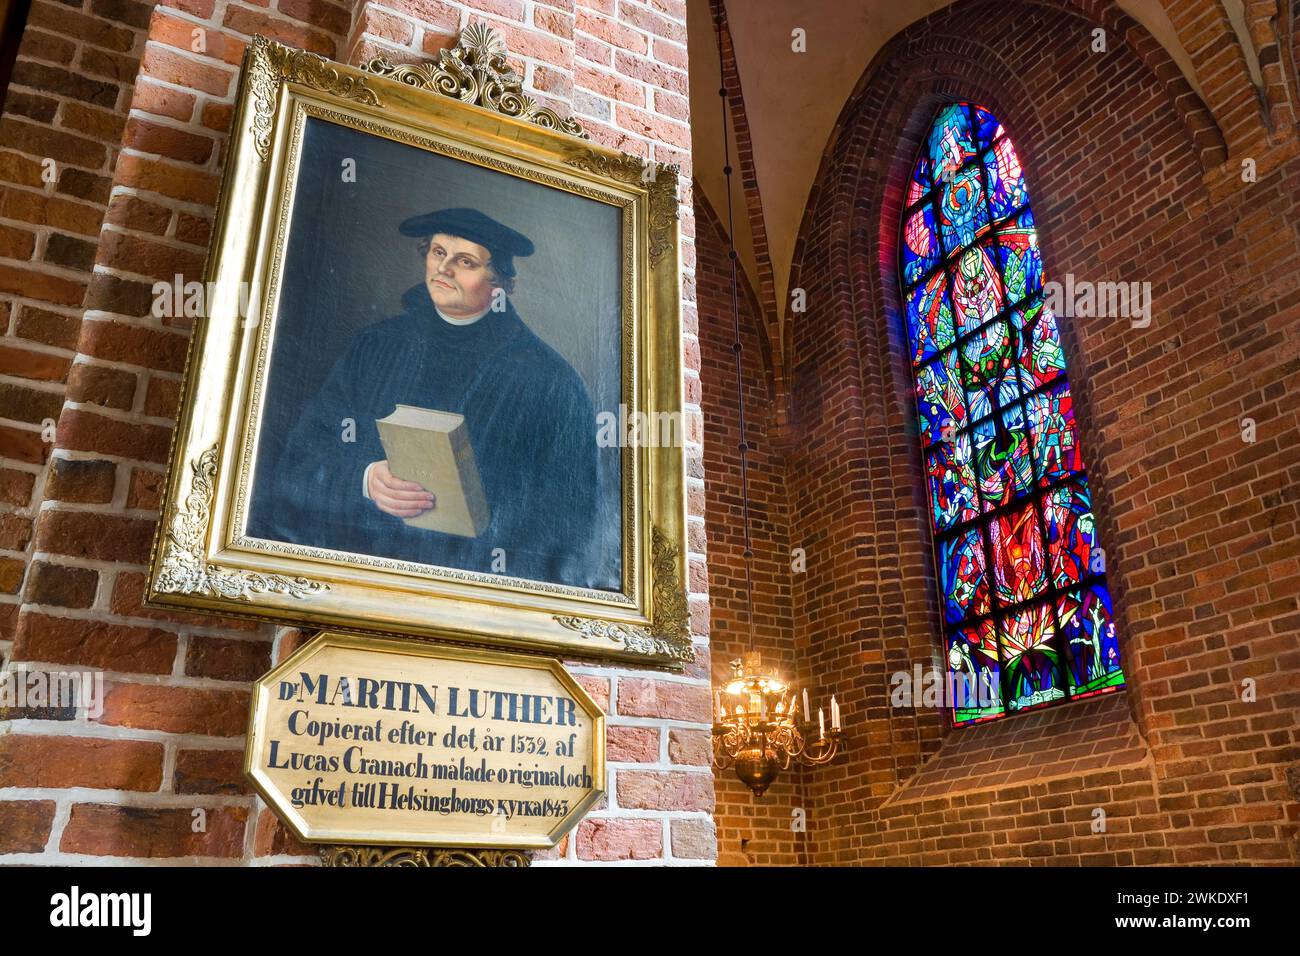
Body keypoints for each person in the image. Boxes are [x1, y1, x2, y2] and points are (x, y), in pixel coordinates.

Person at [251, 207, 604, 589]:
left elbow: (567, 525)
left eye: (465, 261)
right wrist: (366, 479)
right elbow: (297, 465)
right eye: (438, 252)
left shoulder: (550, 381)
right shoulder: (374, 347)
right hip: (354, 583)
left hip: (470, 597)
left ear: (500, 282)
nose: (444, 269)